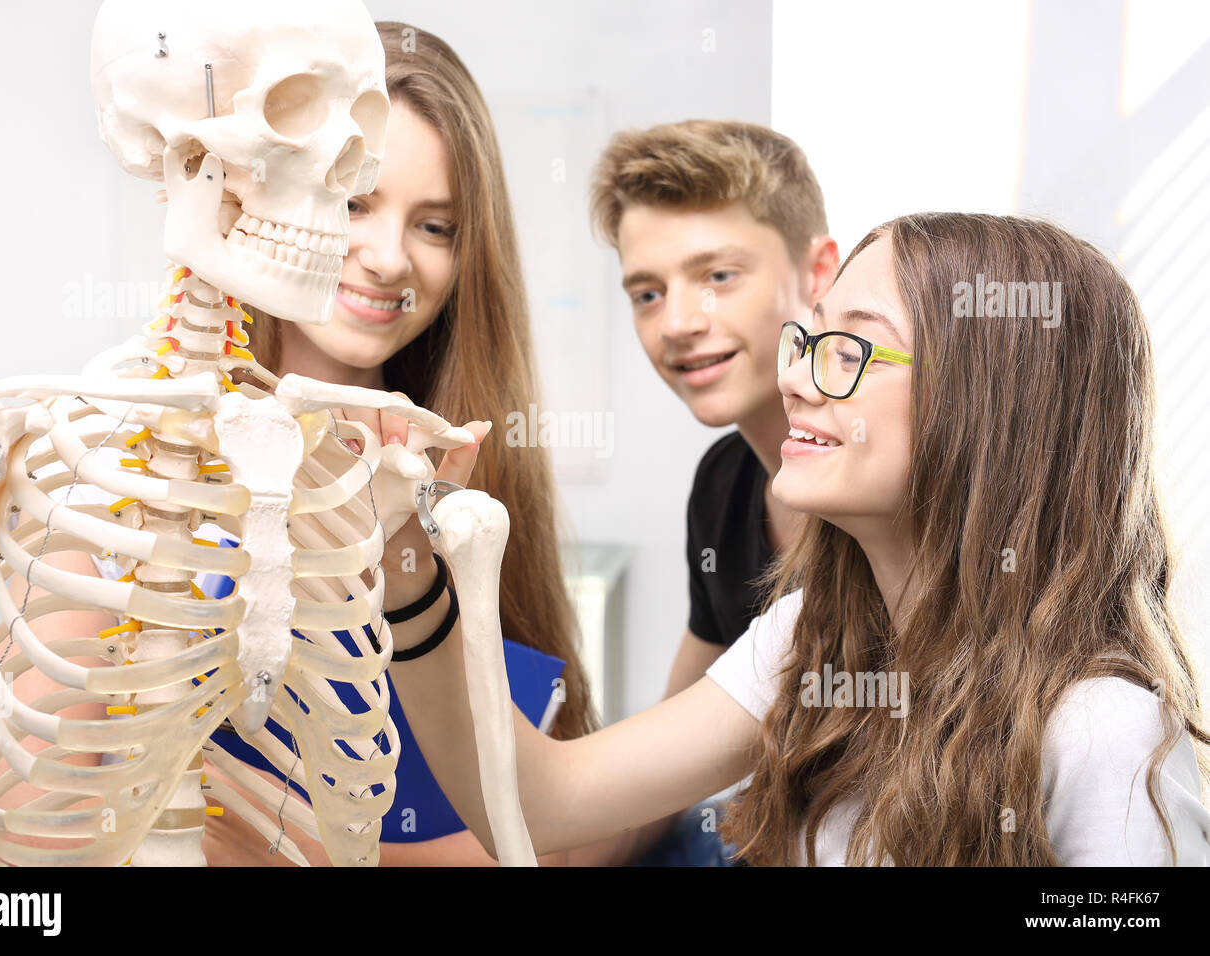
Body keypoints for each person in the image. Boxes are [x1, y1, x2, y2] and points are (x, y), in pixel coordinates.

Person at [380, 212, 1210, 865]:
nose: (792, 376)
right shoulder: (807, 638)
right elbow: (537, 801)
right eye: (808, 338)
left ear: (994, 402)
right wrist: (408, 568)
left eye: (849, 347)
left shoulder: (1102, 732)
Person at [202, 21, 598, 865]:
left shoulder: (459, 477)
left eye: (437, 227)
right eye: (355, 203)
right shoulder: (146, 460)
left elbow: (552, 831)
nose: (389, 259)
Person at [584, 120, 839, 861]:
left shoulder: (889, 484)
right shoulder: (724, 484)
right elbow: (668, 756)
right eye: (647, 293)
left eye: (718, 277)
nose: (678, 325)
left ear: (818, 270)